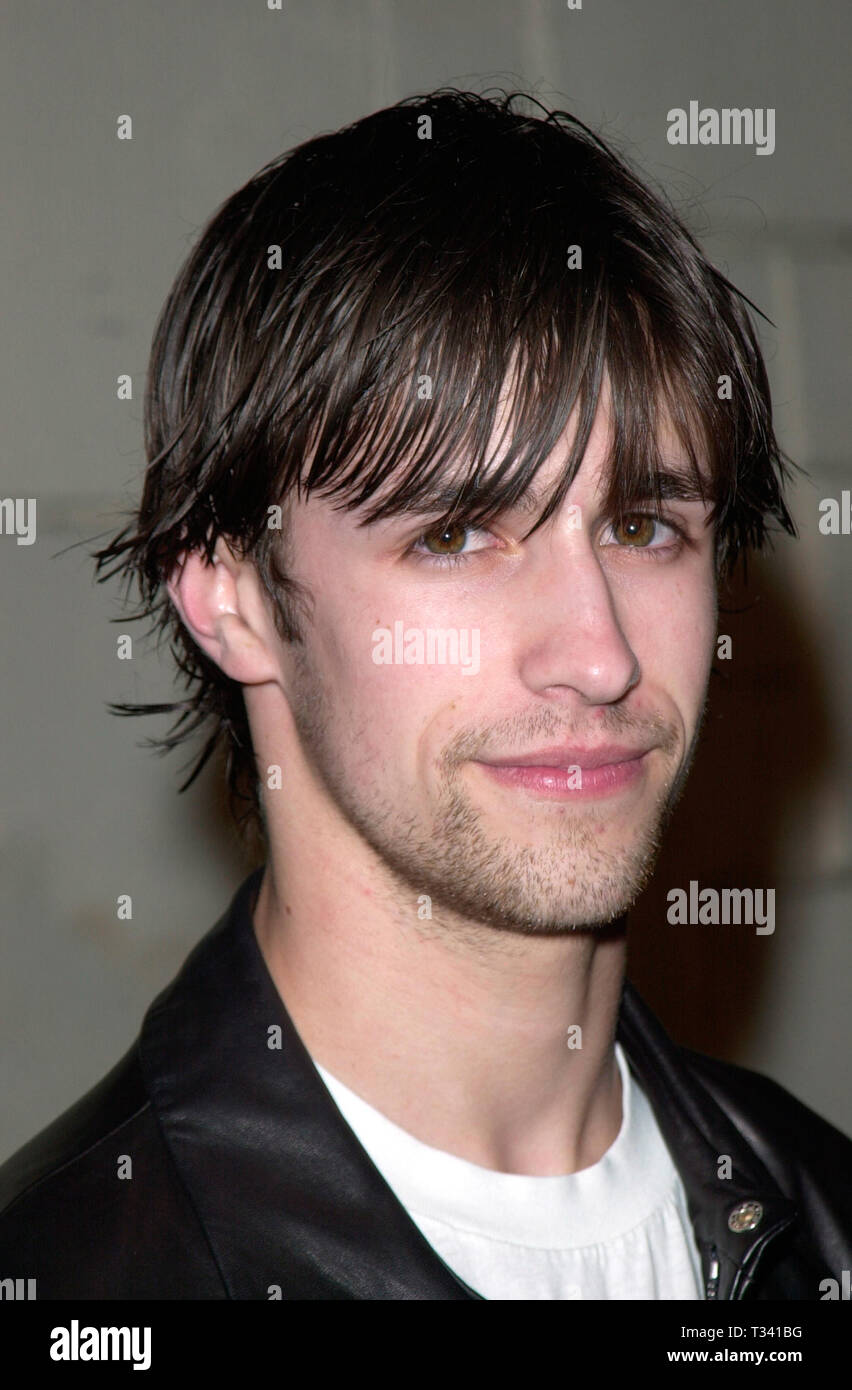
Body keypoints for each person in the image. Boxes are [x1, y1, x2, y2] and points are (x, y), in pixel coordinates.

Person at [1, 89, 849, 1302]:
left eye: (645, 525)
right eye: (457, 534)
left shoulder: (823, 1220)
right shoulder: (75, 1276)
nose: (599, 655)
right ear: (231, 593)